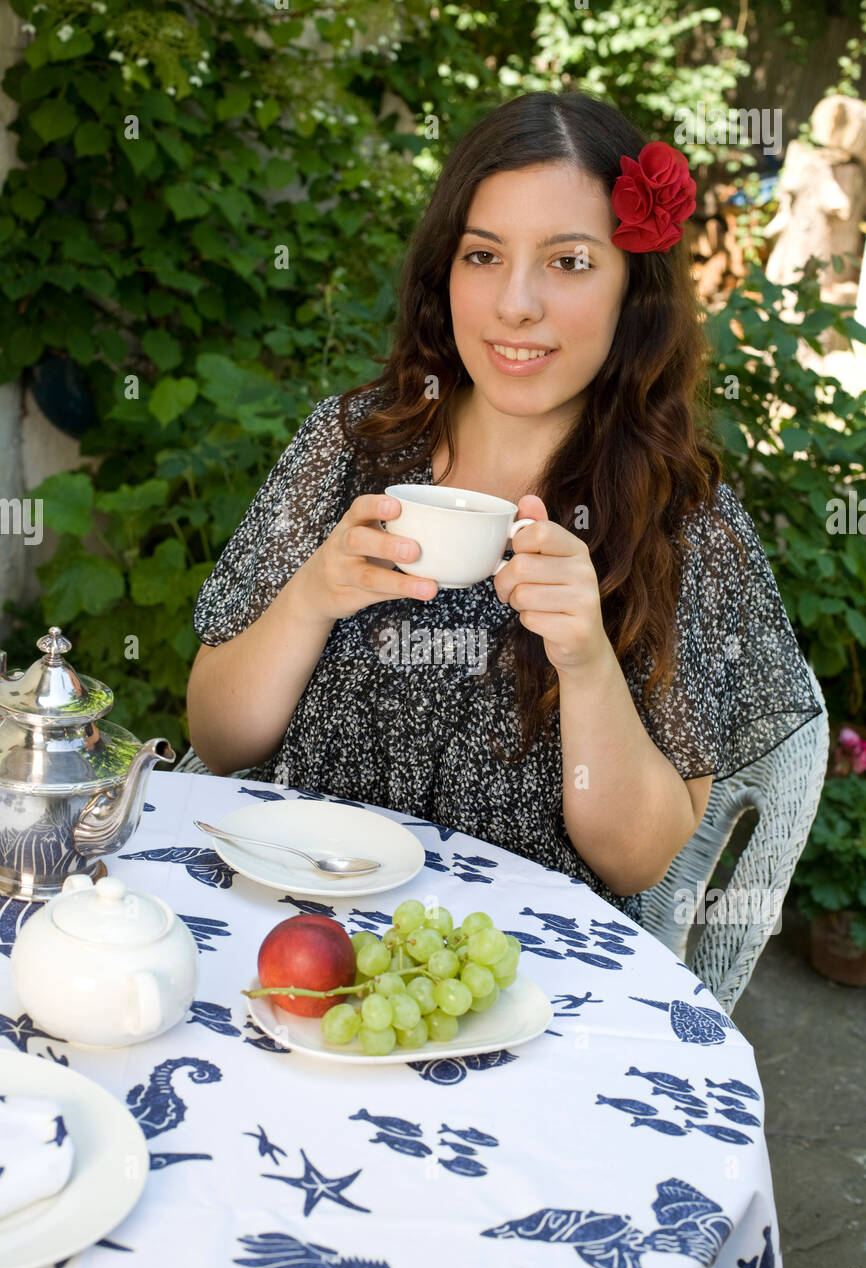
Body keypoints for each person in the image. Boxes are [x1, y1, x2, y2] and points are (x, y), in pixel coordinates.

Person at [186, 90, 822, 925]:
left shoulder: (683, 521)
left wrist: (588, 658)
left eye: (568, 262)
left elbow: (636, 862)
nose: (515, 303)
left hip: (512, 974)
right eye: (483, 256)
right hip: (291, 920)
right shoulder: (352, 446)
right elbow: (220, 738)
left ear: (634, 287)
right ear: (443, 270)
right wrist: (310, 598)